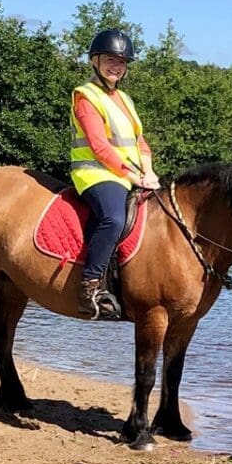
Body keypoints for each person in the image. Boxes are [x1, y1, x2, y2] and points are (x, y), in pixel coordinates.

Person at [68, 29, 159, 320]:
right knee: (114, 217)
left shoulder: (125, 100)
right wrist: (134, 177)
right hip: (95, 174)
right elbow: (99, 146)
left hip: (129, 174)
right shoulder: (86, 96)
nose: (116, 66)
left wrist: (149, 171)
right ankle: (90, 286)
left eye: (121, 62)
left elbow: (140, 142)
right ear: (95, 60)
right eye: (110, 59)